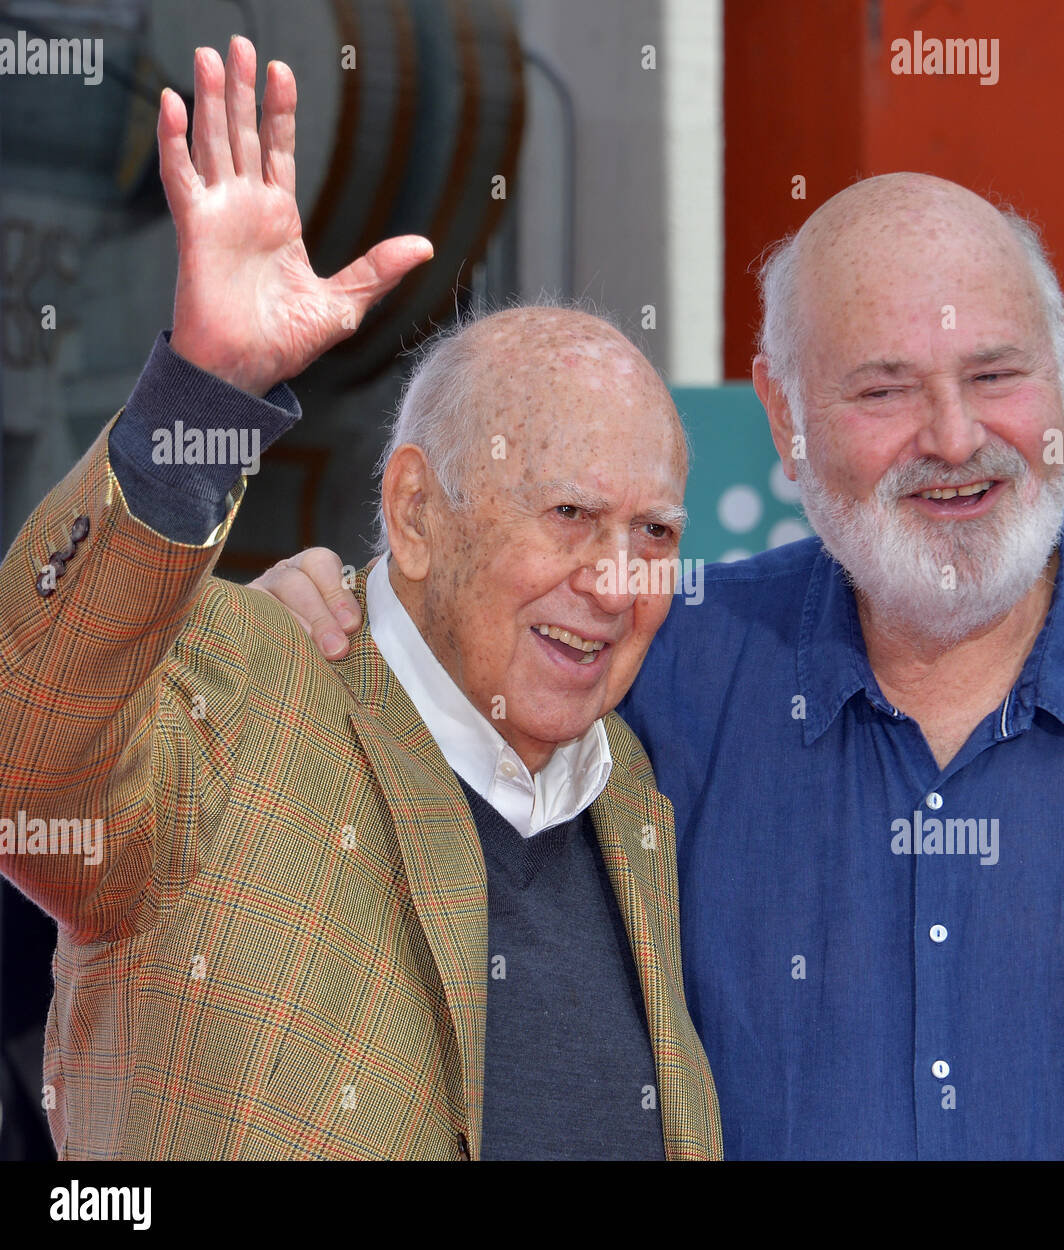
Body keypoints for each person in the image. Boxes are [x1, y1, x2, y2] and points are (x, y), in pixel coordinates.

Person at [267, 172, 1064, 1160]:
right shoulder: (657, 674)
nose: (952, 437)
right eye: (883, 390)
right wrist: (331, 616)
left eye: (995, 375)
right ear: (783, 415)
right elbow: (423, 711)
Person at [0, 37, 721, 1161]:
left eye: (656, 533)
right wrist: (199, 401)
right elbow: (25, 758)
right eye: (570, 516)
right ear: (420, 515)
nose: (615, 577)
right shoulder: (233, 686)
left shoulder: (623, 791)